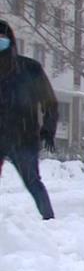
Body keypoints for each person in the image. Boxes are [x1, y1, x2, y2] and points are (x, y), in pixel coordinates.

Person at [0, 19, 58, 219]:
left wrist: (48, 129)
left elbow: (49, 102)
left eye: (2, 39)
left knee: (32, 181)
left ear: (11, 41)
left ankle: (49, 220)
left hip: (23, 136)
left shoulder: (30, 69)